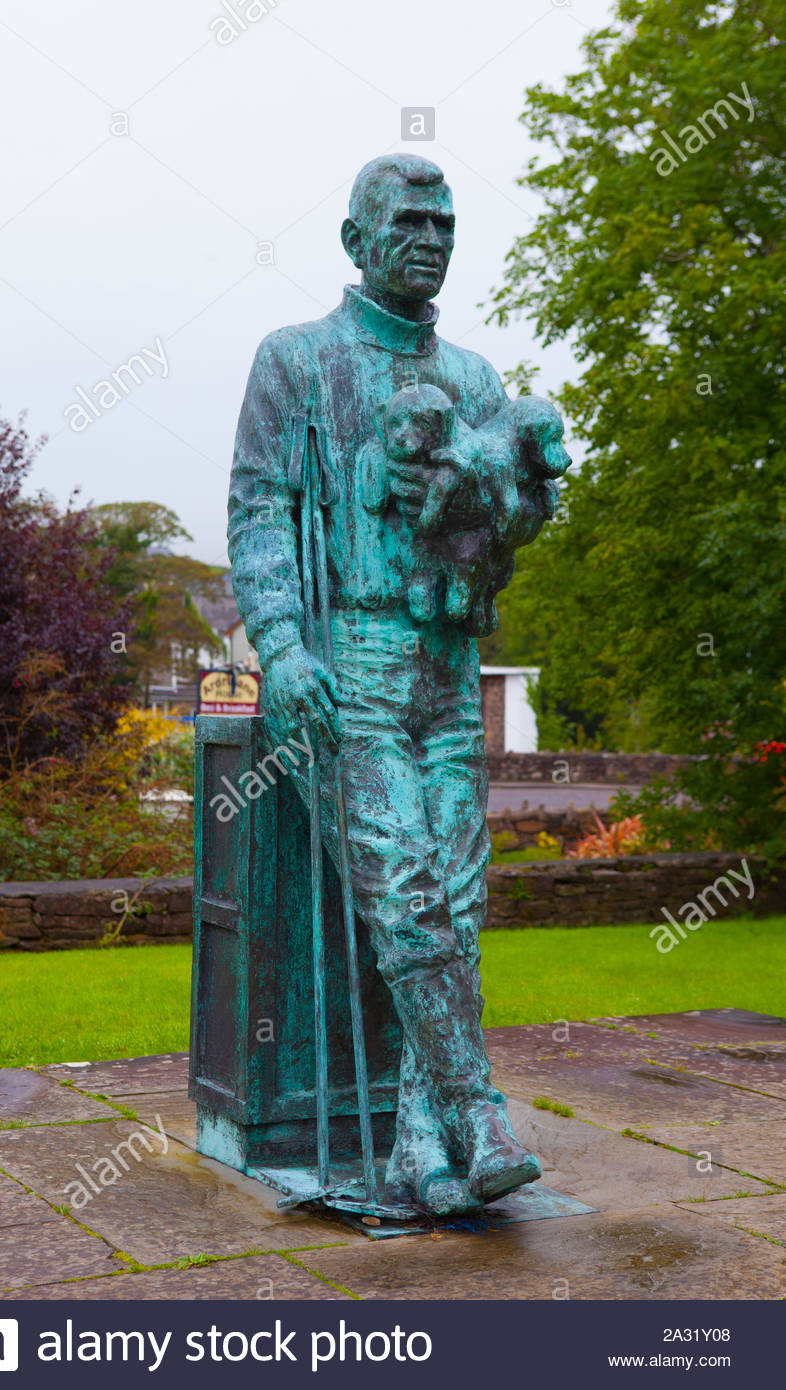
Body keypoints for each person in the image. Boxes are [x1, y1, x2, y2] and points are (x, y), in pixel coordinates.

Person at [227, 153, 569, 1214]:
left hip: (449, 659)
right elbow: (256, 512)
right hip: (354, 662)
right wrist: (281, 647)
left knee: (457, 901)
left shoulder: (475, 381)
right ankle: (477, 1110)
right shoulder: (295, 362)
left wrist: (511, 495)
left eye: (445, 223)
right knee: (402, 887)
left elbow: (513, 526)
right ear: (356, 240)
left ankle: (421, 1137)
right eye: (410, 221)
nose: (431, 238)